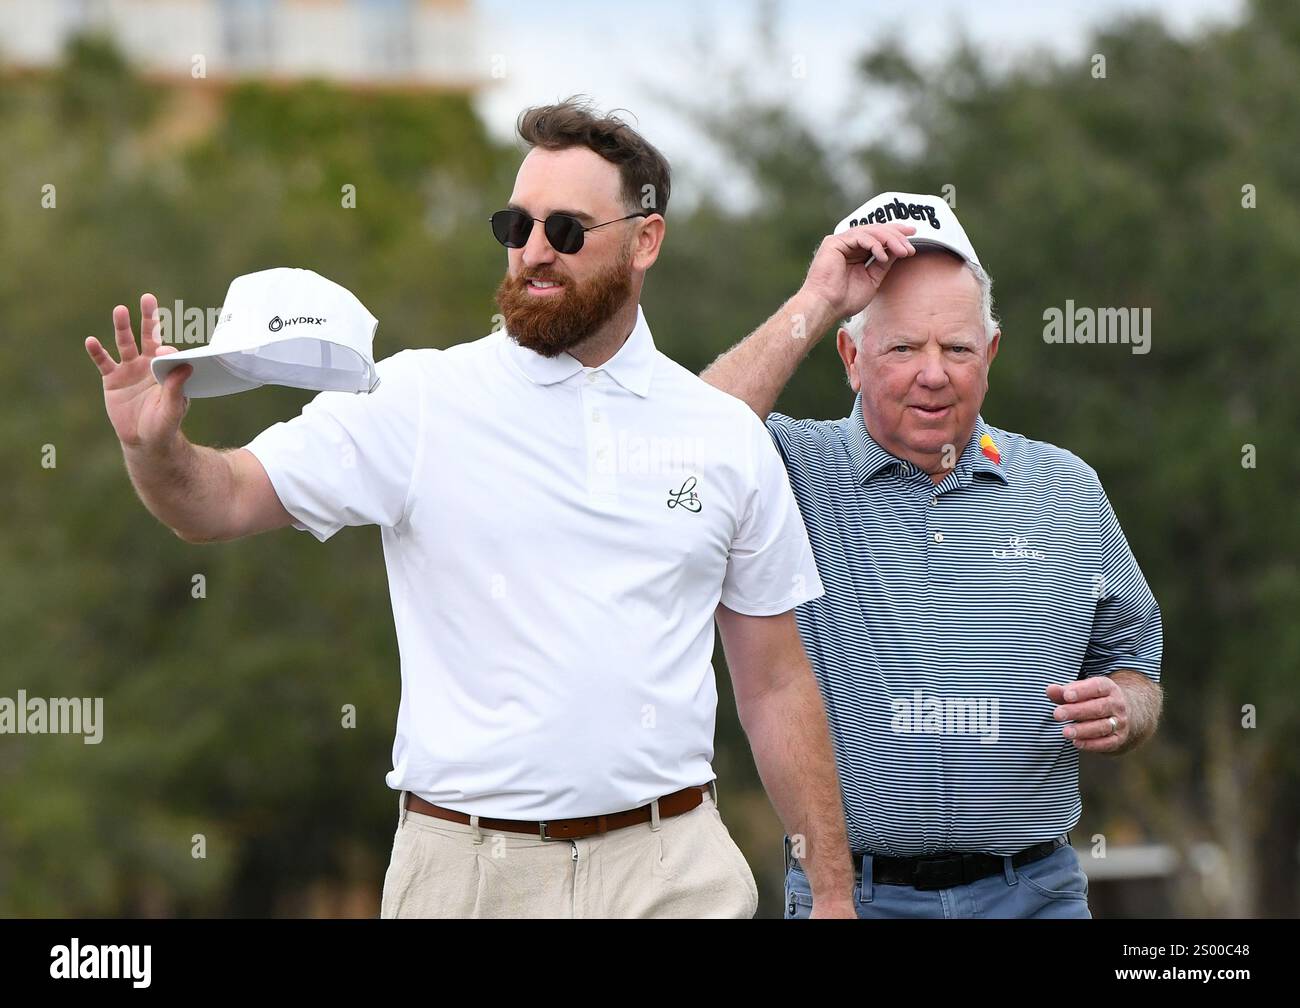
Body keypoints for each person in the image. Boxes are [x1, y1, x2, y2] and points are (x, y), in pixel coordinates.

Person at [85, 99, 856, 919]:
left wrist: (836, 897)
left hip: (673, 870)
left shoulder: (724, 434)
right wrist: (154, 450)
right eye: (515, 225)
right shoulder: (420, 397)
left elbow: (775, 686)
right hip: (467, 874)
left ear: (645, 240)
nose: (532, 252)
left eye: (566, 230)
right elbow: (218, 501)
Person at [701, 191, 1163, 919]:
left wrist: (1124, 708)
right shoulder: (790, 467)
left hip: (1036, 893)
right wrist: (820, 297)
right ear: (850, 355)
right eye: (903, 348)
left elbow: (1135, 668)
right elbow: (687, 443)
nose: (934, 372)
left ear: (992, 354)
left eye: (956, 348)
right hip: (851, 898)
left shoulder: (1067, 489)